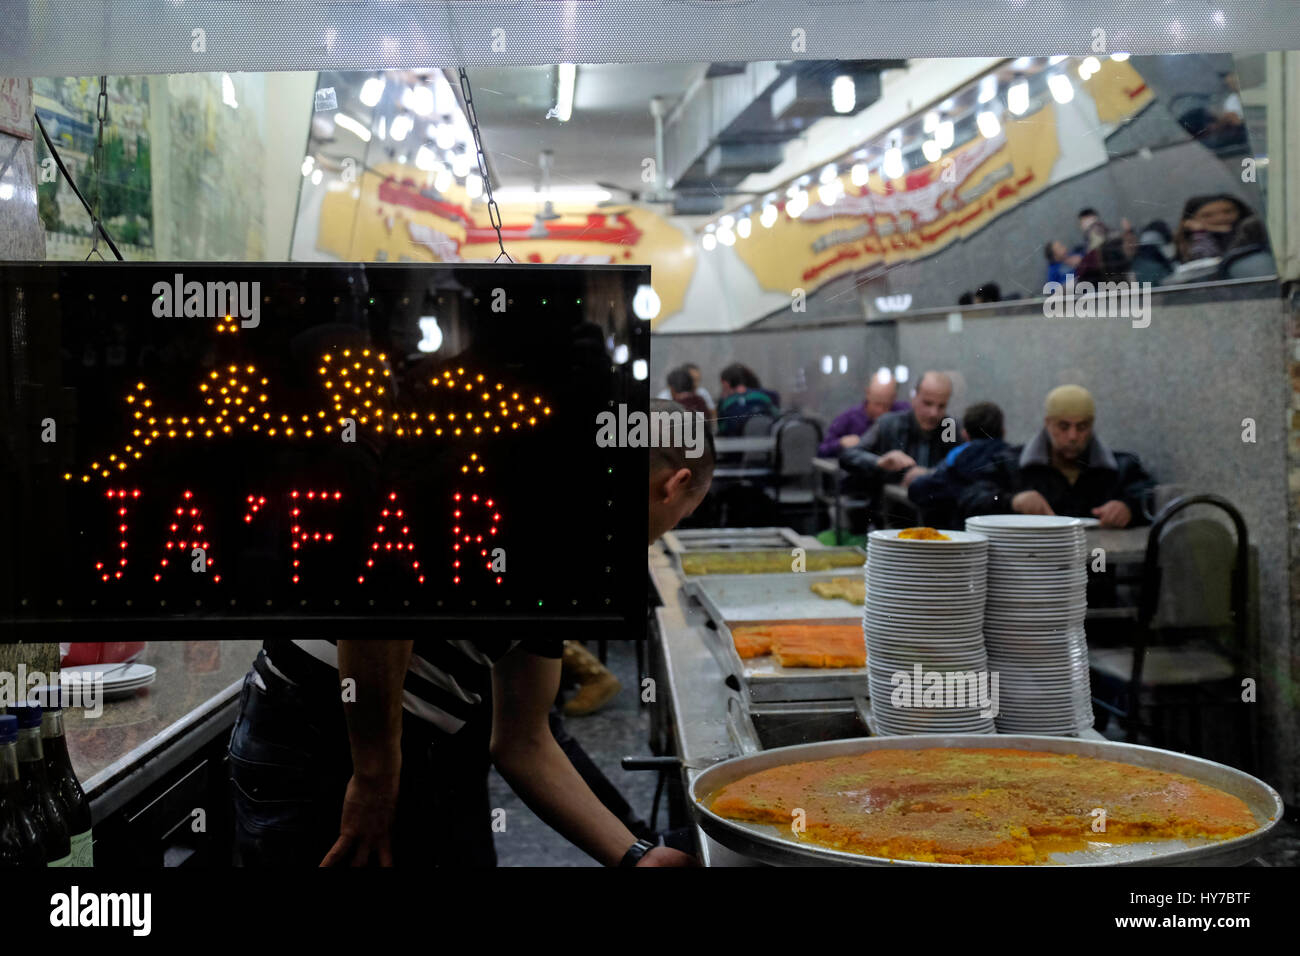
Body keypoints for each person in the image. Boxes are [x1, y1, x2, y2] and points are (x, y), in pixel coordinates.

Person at [228, 402, 713, 869]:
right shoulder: (531, 483)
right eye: (682, 518)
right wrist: (375, 775)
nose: (663, 536)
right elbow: (380, 601)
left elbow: (523, 740)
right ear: (675, 485)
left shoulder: (576, 557)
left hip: (393, 746)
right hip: (316, 732)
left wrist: (635, 854)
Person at [1012, 384, 1154, 528]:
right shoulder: (1012, 465)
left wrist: (1129, 507)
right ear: (1048, 424)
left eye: (1082, 427)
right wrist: (1013, 501)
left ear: (1091, 426)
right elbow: (990, 495)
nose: (1073, 436)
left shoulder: (1122, 468)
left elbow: (1153, 497)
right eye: (1064, 426)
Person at [839, 371, 959, 526]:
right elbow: (848, 456)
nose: (933, 413)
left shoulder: (949, 428)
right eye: (927, 403)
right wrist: (880, 461)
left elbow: (965, 467)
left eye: (941, 406)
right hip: (892, 518)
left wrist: (931, 474)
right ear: (914, 397)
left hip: (938, 520)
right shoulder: (889, 424)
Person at [907, 401, 1018, 528]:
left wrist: (924, 475)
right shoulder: (1015, 458)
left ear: (965, 434)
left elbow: (920, 489)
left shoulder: (959, 458)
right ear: (1003, 432)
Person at [817, 372, 910, 457]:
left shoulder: (903, 413)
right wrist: (840, 443)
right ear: (868, 393)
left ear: (894, 397)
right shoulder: (849, 418)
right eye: (877, 403)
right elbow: (821, 450)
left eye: (886, 406)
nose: (881, 410)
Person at [1174, 194, 1252, 263]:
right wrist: (1201, 232)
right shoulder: (1192, 239)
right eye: (1207, 215)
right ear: (1191, 220)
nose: (1220, 218)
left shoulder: (1250, 229)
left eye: (1227, 212)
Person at [714, 363, 779, 436]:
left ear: (726, 384)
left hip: (735, 444)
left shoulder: (726, 403)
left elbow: (722, 429)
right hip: (767, 442)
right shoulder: (767, 397)